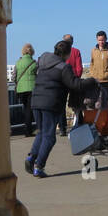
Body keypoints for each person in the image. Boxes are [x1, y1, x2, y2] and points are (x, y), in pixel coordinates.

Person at [26, 40, 80, 178]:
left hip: (36, 100)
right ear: (67, 54)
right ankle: (39, 166)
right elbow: (74, 84)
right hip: (50, 103)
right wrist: (91, 81)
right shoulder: (64, 67)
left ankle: (31, 157)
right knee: (50, 138)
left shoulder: (43, 61)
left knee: (42, 132)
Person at [89, 30, 108, 108]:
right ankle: (98, 120)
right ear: (97, 39)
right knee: (95, 103)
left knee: (105, 103)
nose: (101, 42)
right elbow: (92, 63)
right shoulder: (93, 50)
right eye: (99, 40)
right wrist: (92, 73)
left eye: (102, 40)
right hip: (95, 81)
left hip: (106, 82)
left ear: (106, 39)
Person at [61, 34, 83, 136]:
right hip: (74, 80)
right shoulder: (76, 51)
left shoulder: (60, 51)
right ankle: (79, 124)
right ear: (72, 42)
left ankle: (62, 128)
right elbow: (79, 68)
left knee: (61, 105)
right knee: (76, 104)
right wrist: (76, 77)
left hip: (63, 81)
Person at [15, 43, 37, 136]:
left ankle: (26, 130)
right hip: (31, 88)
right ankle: (29, 131)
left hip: (21, 89)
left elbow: (14, 76)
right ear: (32, 52)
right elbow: (38, 75)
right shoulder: (34, 63)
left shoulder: (18, 62)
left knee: (25, 109)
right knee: (31, 110)